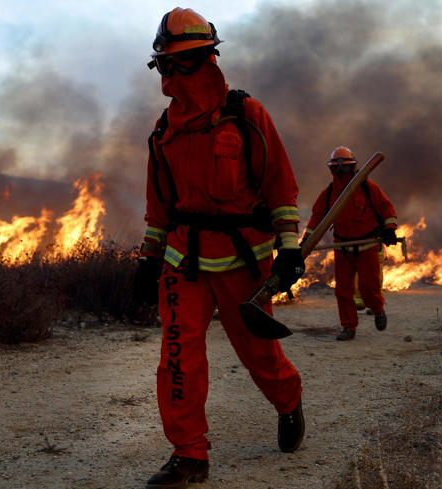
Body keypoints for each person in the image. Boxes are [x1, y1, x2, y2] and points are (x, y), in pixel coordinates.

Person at [132, 8, 306, 488]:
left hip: (242, 259)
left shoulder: (247, 116)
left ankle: (288, 400)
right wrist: (148, 259)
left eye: (185, 61)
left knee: (258, 352)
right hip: (182, 261)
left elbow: (280, 187)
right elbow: (158, 207)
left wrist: (289, 246)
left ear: (208, 59)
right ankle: (189, 454)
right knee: (177, 358)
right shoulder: (163, 131)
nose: (175, 73)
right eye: (167, 64)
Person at [303, 146, 398, 341]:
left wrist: (389, 228)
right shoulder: (329, 193)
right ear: (331, 169)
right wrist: (307, 239)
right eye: (337, 168)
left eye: (344, 167)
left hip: (367, 245)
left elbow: (386, 207)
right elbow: (316, 217)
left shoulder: (368, 187)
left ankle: (377, 309)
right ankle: (348, 327)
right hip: (343, 248)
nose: (341, 172)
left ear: (353, 167)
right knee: (343, 291)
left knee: (369, 288)